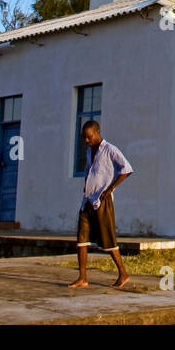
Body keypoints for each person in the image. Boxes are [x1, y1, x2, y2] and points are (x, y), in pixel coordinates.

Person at [68, 120, 133, 289]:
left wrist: (110, 188)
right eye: (85, 138)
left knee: (108, 239)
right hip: (87, 200)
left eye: (89, 137)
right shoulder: (90, 151)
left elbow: (127, 169)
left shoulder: (110, 149)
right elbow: (89, 171)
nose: (87, 141)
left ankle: (123, 274)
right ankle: (82, 277)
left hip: (102, 202)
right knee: (81, 239)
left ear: (97, 132)